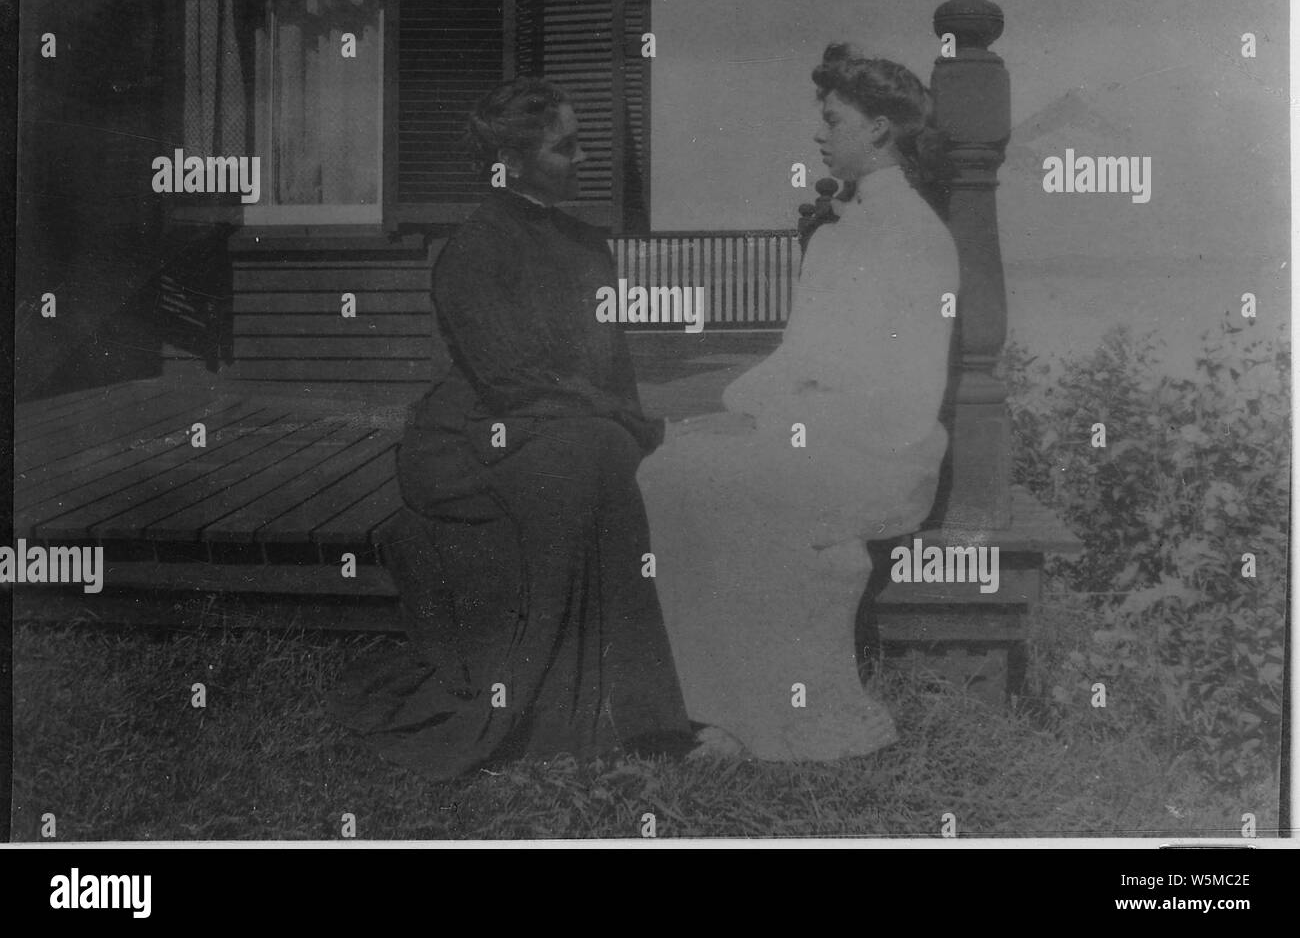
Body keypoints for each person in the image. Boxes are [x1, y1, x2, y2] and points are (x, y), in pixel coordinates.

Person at [329, 77, 691, 780]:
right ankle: (566, 711)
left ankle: (645, 710)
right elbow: (507, 375)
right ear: (513, 164)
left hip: (569, 422)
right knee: (593, 458)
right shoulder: (473, 249)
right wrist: (617, 420)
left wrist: (633, 422)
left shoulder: (589, 245)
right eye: (567, 146)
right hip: (475, 435)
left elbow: (611, 364)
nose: (585, 157)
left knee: (618, 456)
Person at [636, 45, 960, 762]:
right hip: (824, 430)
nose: (819, 134)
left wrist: (779, 419)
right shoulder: (848, 229)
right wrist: (751, 407)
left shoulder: (913, 236)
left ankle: (786, 716)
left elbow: (899, 390)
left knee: (721, 480)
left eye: (833, 120)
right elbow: (803, 357)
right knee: (669, 468)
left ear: (879, 130)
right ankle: (715, 705)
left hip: (882, 449)